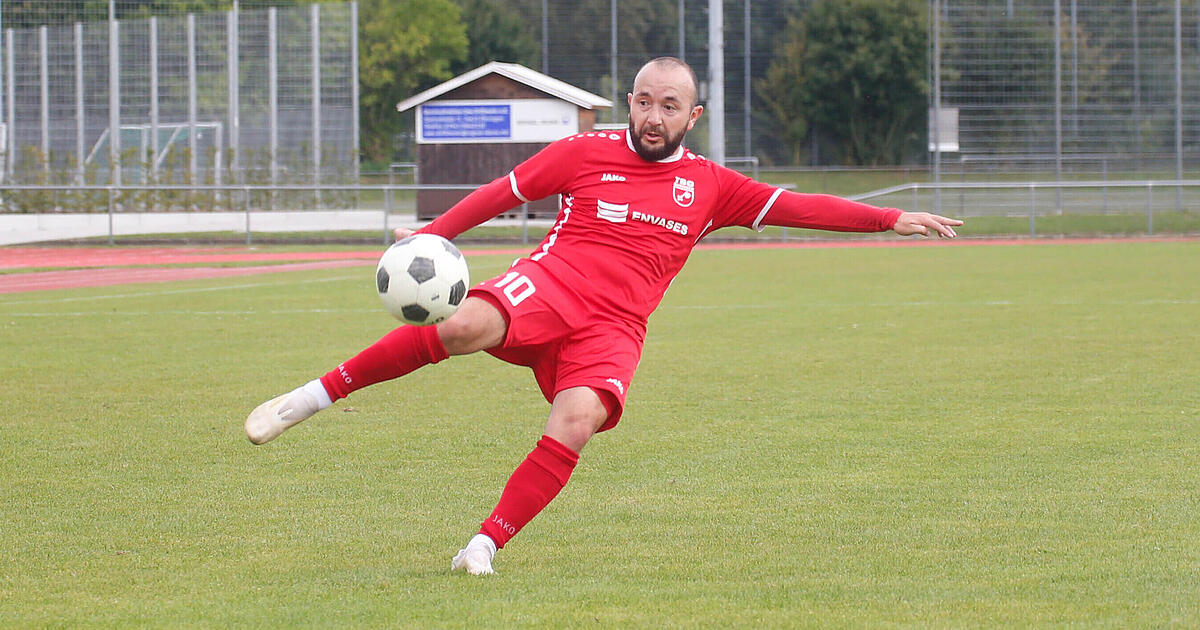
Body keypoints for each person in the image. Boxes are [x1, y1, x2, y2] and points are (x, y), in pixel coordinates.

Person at [244, 57, 962, 575]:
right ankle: (310, 398)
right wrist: (436, 235)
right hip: (550, 285)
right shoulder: (583, 153)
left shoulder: (711, 187)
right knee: (459, 326)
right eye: (644, 102)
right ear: (631, 102)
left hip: (615, 328)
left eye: (669, 106)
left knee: (577, 422)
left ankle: (482, 546)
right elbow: (502, 193)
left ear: (692, 115)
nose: (653, 117)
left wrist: (890, 217)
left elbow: (801, 206)